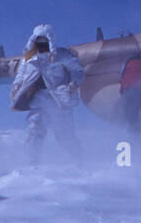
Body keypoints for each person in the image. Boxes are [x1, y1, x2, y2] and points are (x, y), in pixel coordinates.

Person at [8, 24, 85, 164]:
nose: (41, 43)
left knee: (65, 136)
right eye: (38, 40)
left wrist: (73, 84)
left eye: (44, 40)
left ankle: (80, 160)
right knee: (34, 130)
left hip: (59, 100)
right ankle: (32, 163)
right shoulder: (29, 59)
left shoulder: (62, 55)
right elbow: (21, 74)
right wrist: (15, 87)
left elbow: (78, 71)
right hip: (38, 100)